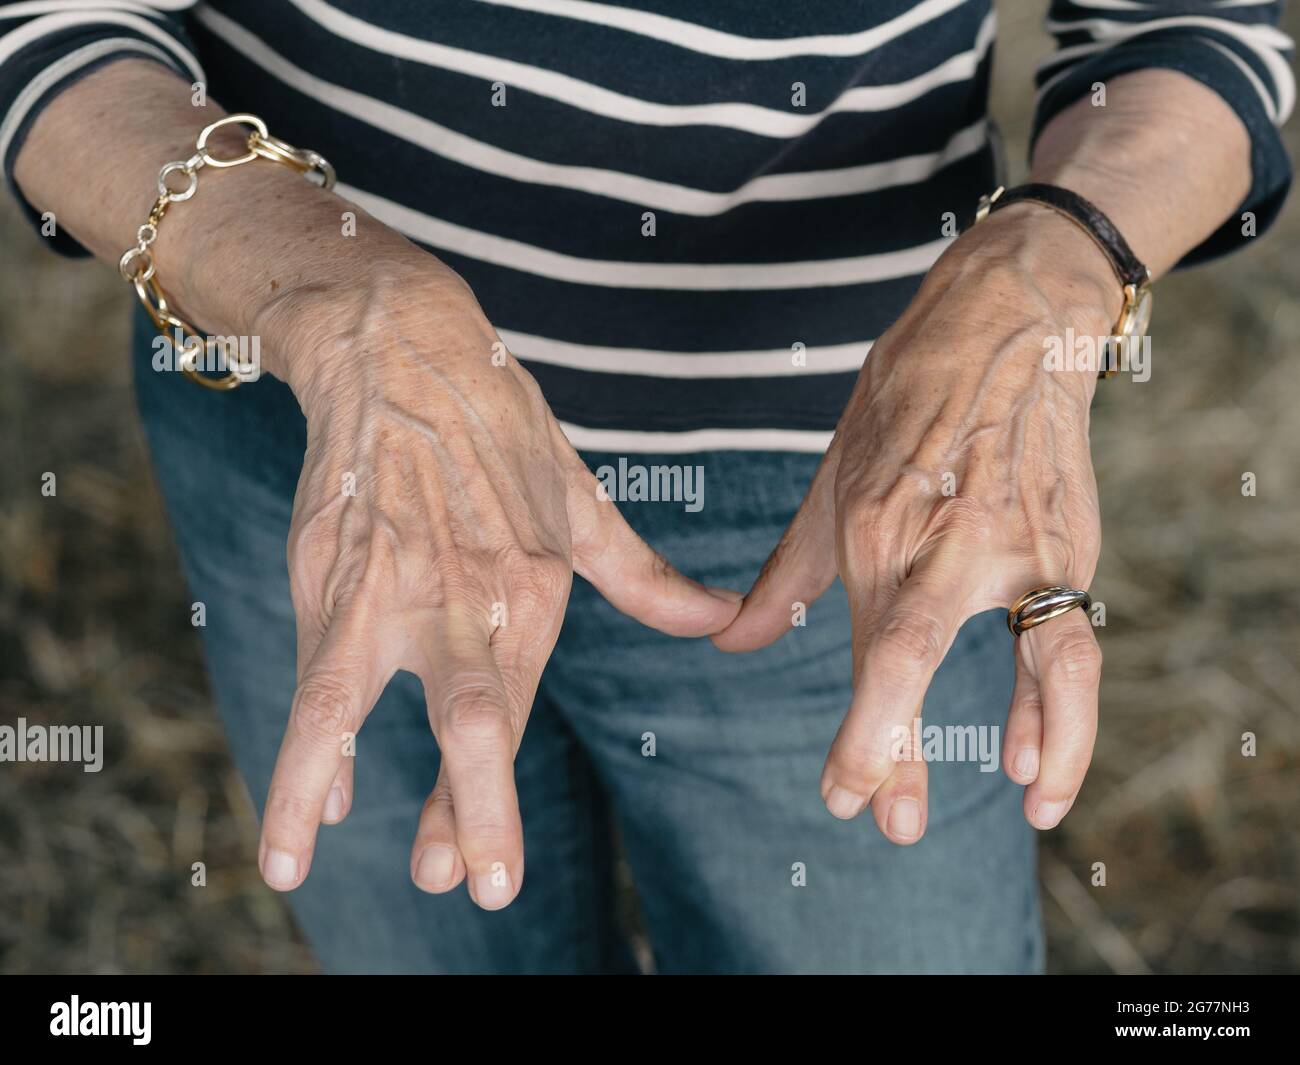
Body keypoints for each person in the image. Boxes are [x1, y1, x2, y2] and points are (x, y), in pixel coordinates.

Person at [3, 0, 1291, 974]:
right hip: (313, 430)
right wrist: (334, 302)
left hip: (850, 489)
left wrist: (1051, 272)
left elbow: (1187, 32)